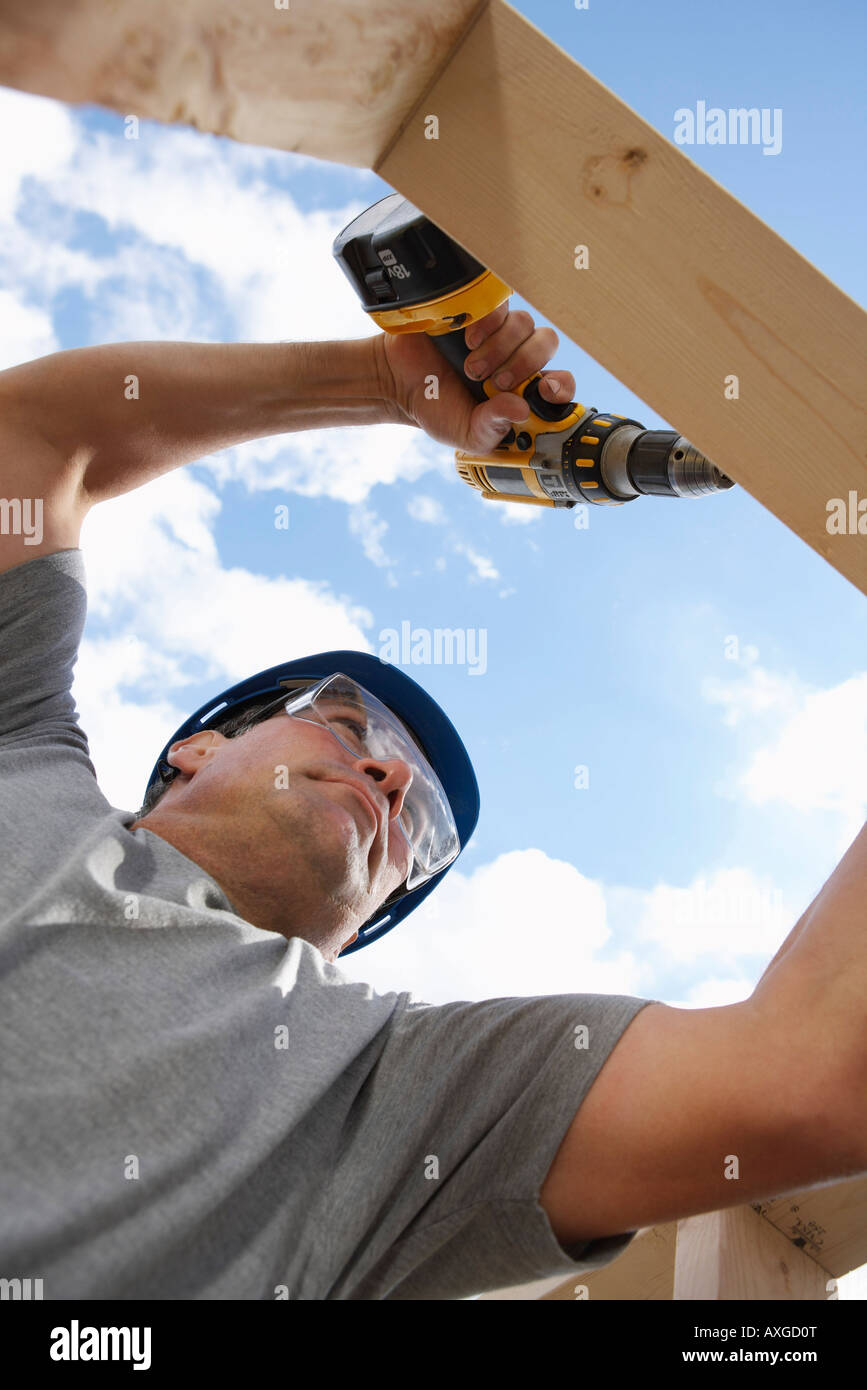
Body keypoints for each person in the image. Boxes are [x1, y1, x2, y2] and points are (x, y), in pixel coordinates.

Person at [0, 307, 864, 1300]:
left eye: (425, 829)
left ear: (366, 921)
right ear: (198, 747)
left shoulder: (383, 1093)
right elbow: (29, 434)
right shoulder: (17, 743)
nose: (395, 779)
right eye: (350, 725)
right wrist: (377, 380)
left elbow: (809, 1074)